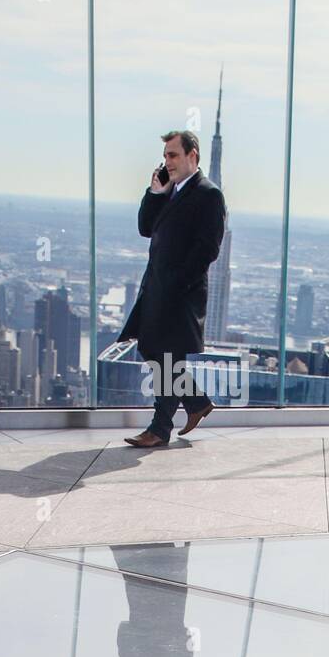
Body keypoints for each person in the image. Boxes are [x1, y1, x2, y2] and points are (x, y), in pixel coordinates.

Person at [118, 130, 227, 447]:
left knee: (164, 355)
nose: (168, 161)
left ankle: (161, 428)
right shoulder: (169, 191)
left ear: (193, 156)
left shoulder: (209, 195)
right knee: (155, 351)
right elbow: (145, 228)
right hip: (156, 289)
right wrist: (154, 193)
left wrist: (179, 284)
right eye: (166, 155)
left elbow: (208, 249)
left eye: (174, 155)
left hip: (181, 294)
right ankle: (195, 404)